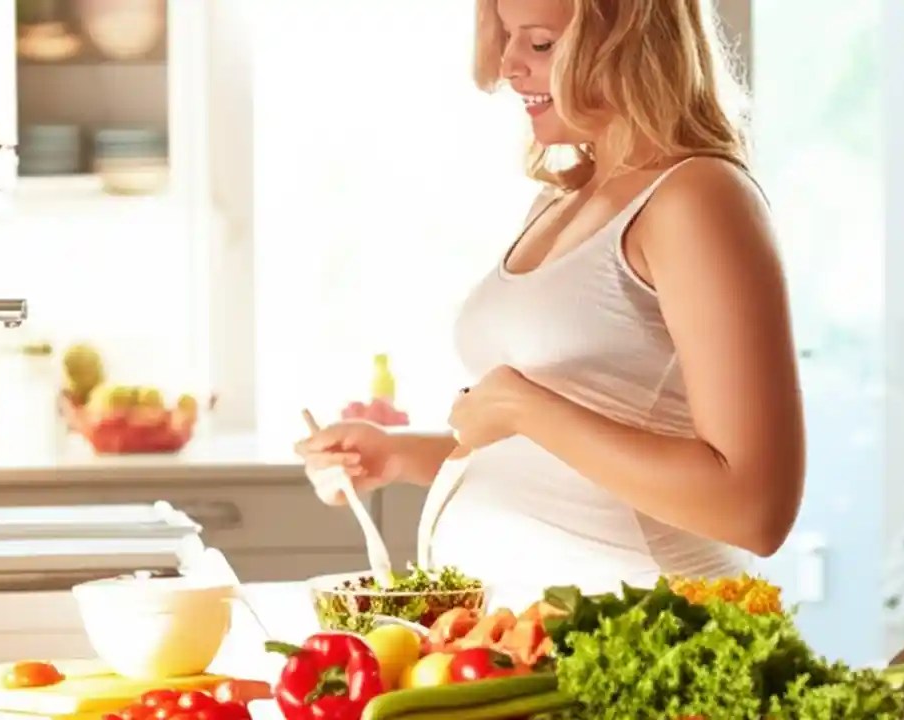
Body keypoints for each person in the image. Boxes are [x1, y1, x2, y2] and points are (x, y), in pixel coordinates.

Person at [294, 0, 805, 598]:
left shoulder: (698, 198)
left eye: (539, 44)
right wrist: (399, 456)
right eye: (508, 38)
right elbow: (564, 469)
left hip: (649, 636)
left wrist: (525, 407)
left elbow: (754, 508)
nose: (509, 66)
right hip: (529, 648)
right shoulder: (563, 201)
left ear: (632, 43)